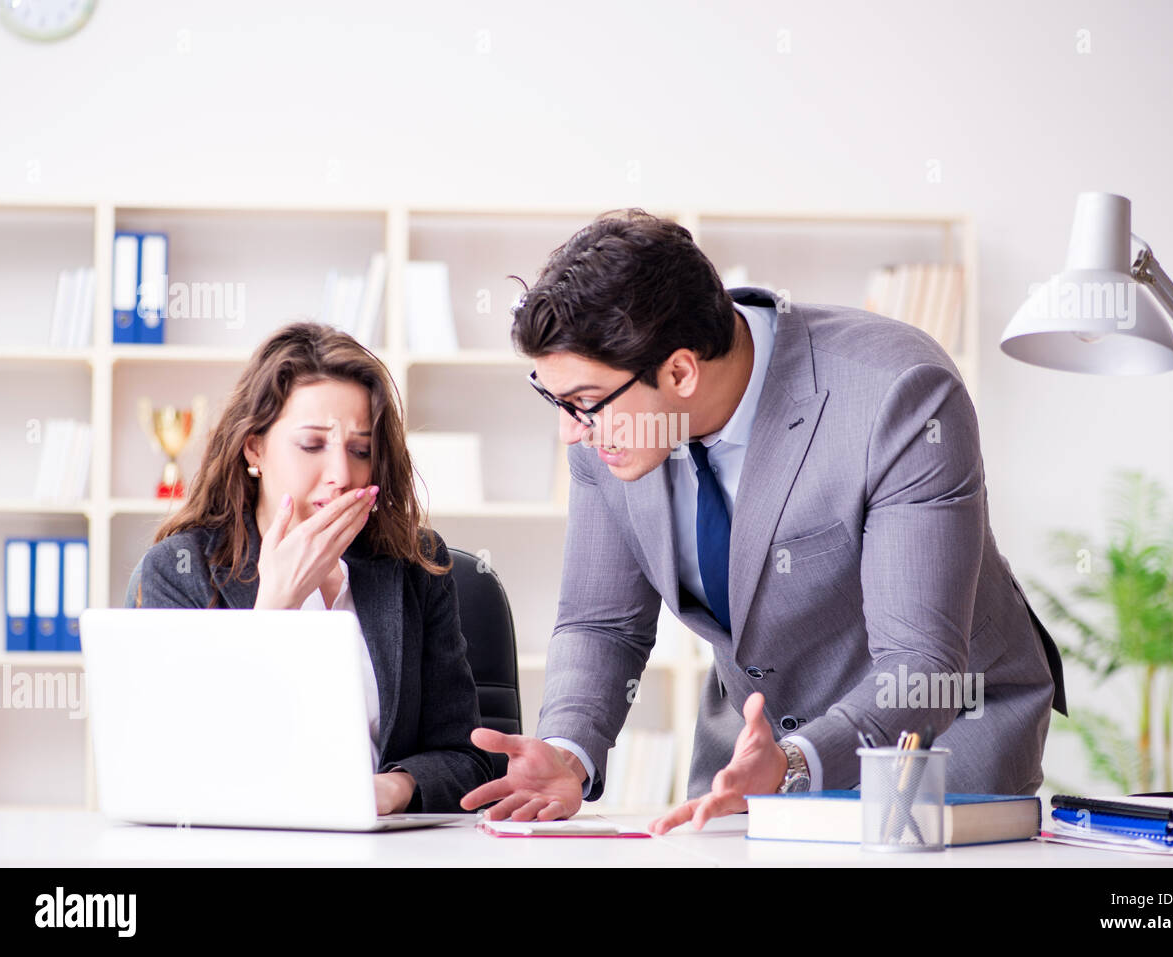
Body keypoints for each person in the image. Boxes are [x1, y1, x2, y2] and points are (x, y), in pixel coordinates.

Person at [461, 209, 1067, 832]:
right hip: (746, 759)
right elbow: (601, 622)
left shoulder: (897, 393)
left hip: (931, 746)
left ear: (679, 371)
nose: (570, 433)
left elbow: (919, 660)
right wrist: (569, 751)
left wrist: (797, 764)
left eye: (584, 403)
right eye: (554, 398)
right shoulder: (609, 432)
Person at [132, 322, 492, 814]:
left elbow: (467, 759)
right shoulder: (181, 571)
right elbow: (175, 763)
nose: (341, 476)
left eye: (360, 450)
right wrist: (274, 608)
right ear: (254, 448)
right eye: (312, 446)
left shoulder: (415, 566)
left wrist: (395, 787)